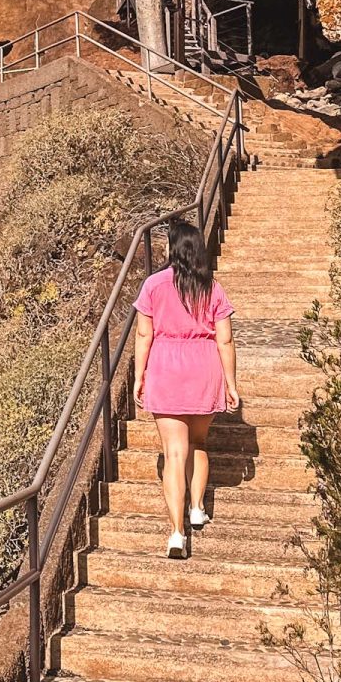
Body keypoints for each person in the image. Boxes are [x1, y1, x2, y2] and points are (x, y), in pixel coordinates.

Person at [133, 220, 240, 559]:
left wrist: (139, 376)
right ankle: (197, 507)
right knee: (198, 442)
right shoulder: (212, 288)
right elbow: (225, 338)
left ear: (173, 249)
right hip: (203, 367)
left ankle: (177, 533)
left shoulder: (153, 285)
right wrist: (231, 383)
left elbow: (143, 335)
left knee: (174, 453)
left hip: (166, 366)